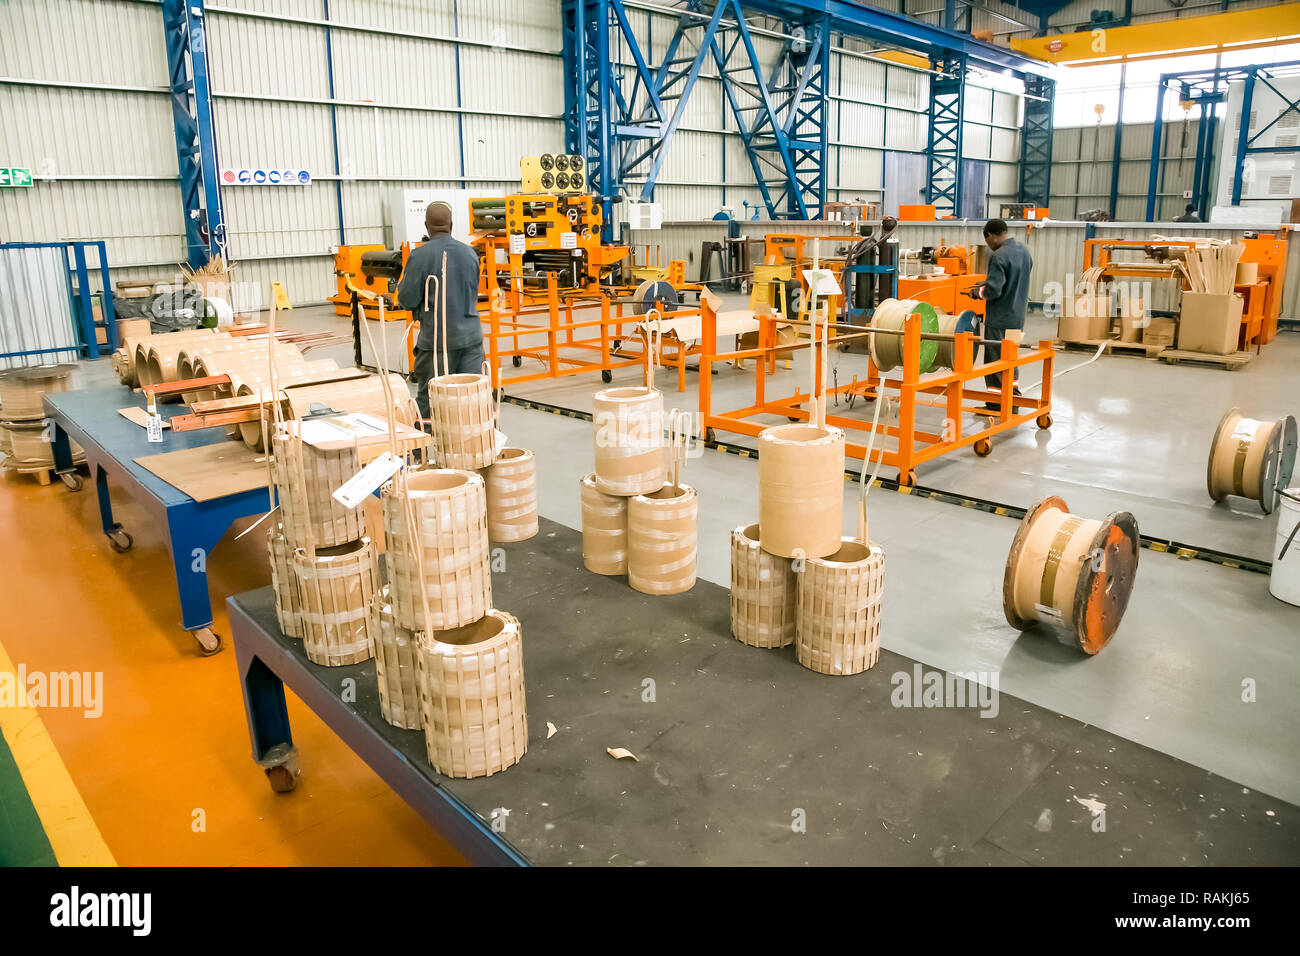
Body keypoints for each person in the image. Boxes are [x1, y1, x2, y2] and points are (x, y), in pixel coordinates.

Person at [396, 201, 484, 420]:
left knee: (430, 403)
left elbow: (406, 299)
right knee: (474, 402)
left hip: (436, 342)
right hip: (471, 341)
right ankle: (480, 449)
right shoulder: (470, 254)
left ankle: (420, 452)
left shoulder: (419, 256)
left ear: (427, 225)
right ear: (451, 224)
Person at [973, 218, 1032, 405]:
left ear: (989, 235)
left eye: (987, 241)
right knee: (1010, 358)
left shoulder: (998, 255)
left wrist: (978, 292)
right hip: (1017, 317)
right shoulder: (1022, 251)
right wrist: (988, 281)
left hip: (999, 319)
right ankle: (1012, 396)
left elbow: (994, 291)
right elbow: (1015, 278)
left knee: (995, 360)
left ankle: (996, 403)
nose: (988, 245)